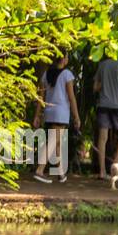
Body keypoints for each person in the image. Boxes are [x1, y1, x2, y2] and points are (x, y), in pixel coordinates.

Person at [33, 53, 79, 183]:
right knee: (54, 141)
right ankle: (40, 170)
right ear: (63, 59)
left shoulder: (46, 74)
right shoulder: (67, 74)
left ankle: (61, 173)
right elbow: (71, 97)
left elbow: (40, 98)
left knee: (56, 141)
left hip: (49, 112)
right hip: (61, 112)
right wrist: (76, 117)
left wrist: (37, 115)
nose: (68, 59)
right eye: (67, 56)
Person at [92, 57, 118, 179]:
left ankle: (102, 171)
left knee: (102, 137)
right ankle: (115, 165)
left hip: (103, 104)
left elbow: (95, 87)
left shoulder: (102, 65)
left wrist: (105, 85)